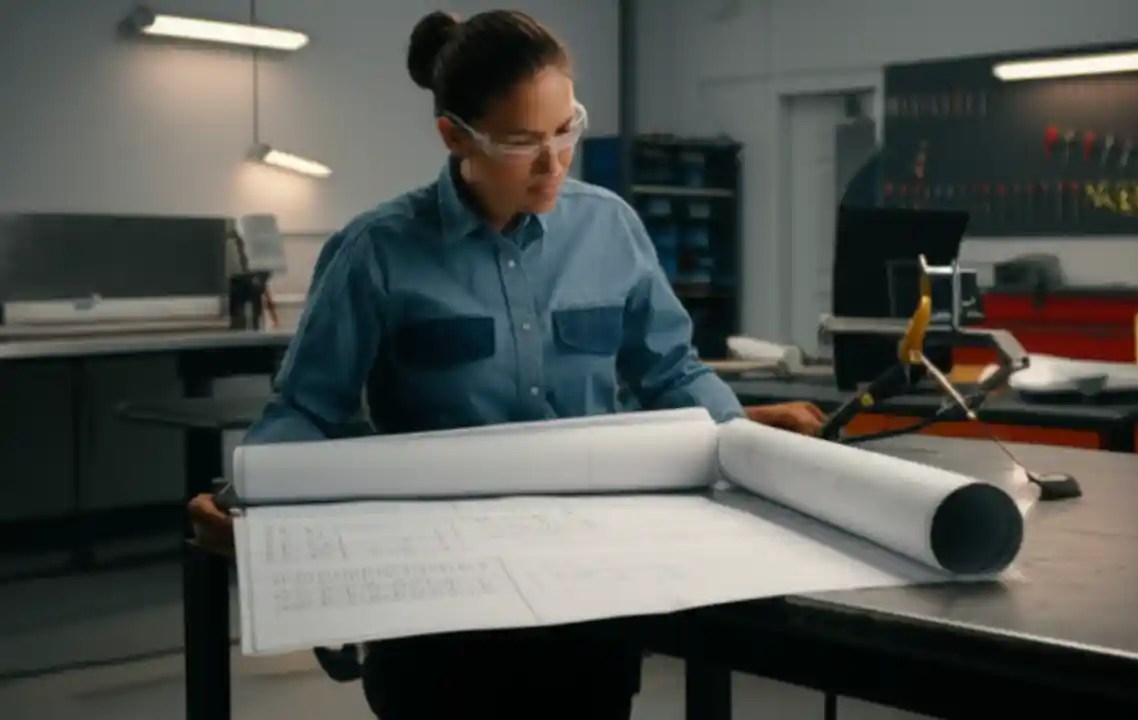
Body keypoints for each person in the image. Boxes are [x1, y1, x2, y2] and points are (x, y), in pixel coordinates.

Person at [235, 9, 825, 718]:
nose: (554, 163)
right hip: (439, 615)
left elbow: (672, 373)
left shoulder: (609, 228)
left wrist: (746, 441)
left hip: (590, 599)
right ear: (455, 136)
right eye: (521, 142)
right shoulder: (378, 253)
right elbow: (306, 411)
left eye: (565, 130)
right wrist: (253, 495)